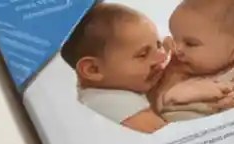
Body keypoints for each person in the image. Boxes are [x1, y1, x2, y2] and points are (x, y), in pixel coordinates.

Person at [60, 3, 170, 134]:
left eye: (158, 45)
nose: (162, 57)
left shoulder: (123, 84)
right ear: (93, 69)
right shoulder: (101, 100)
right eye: (143, 55)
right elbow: (158, 128)